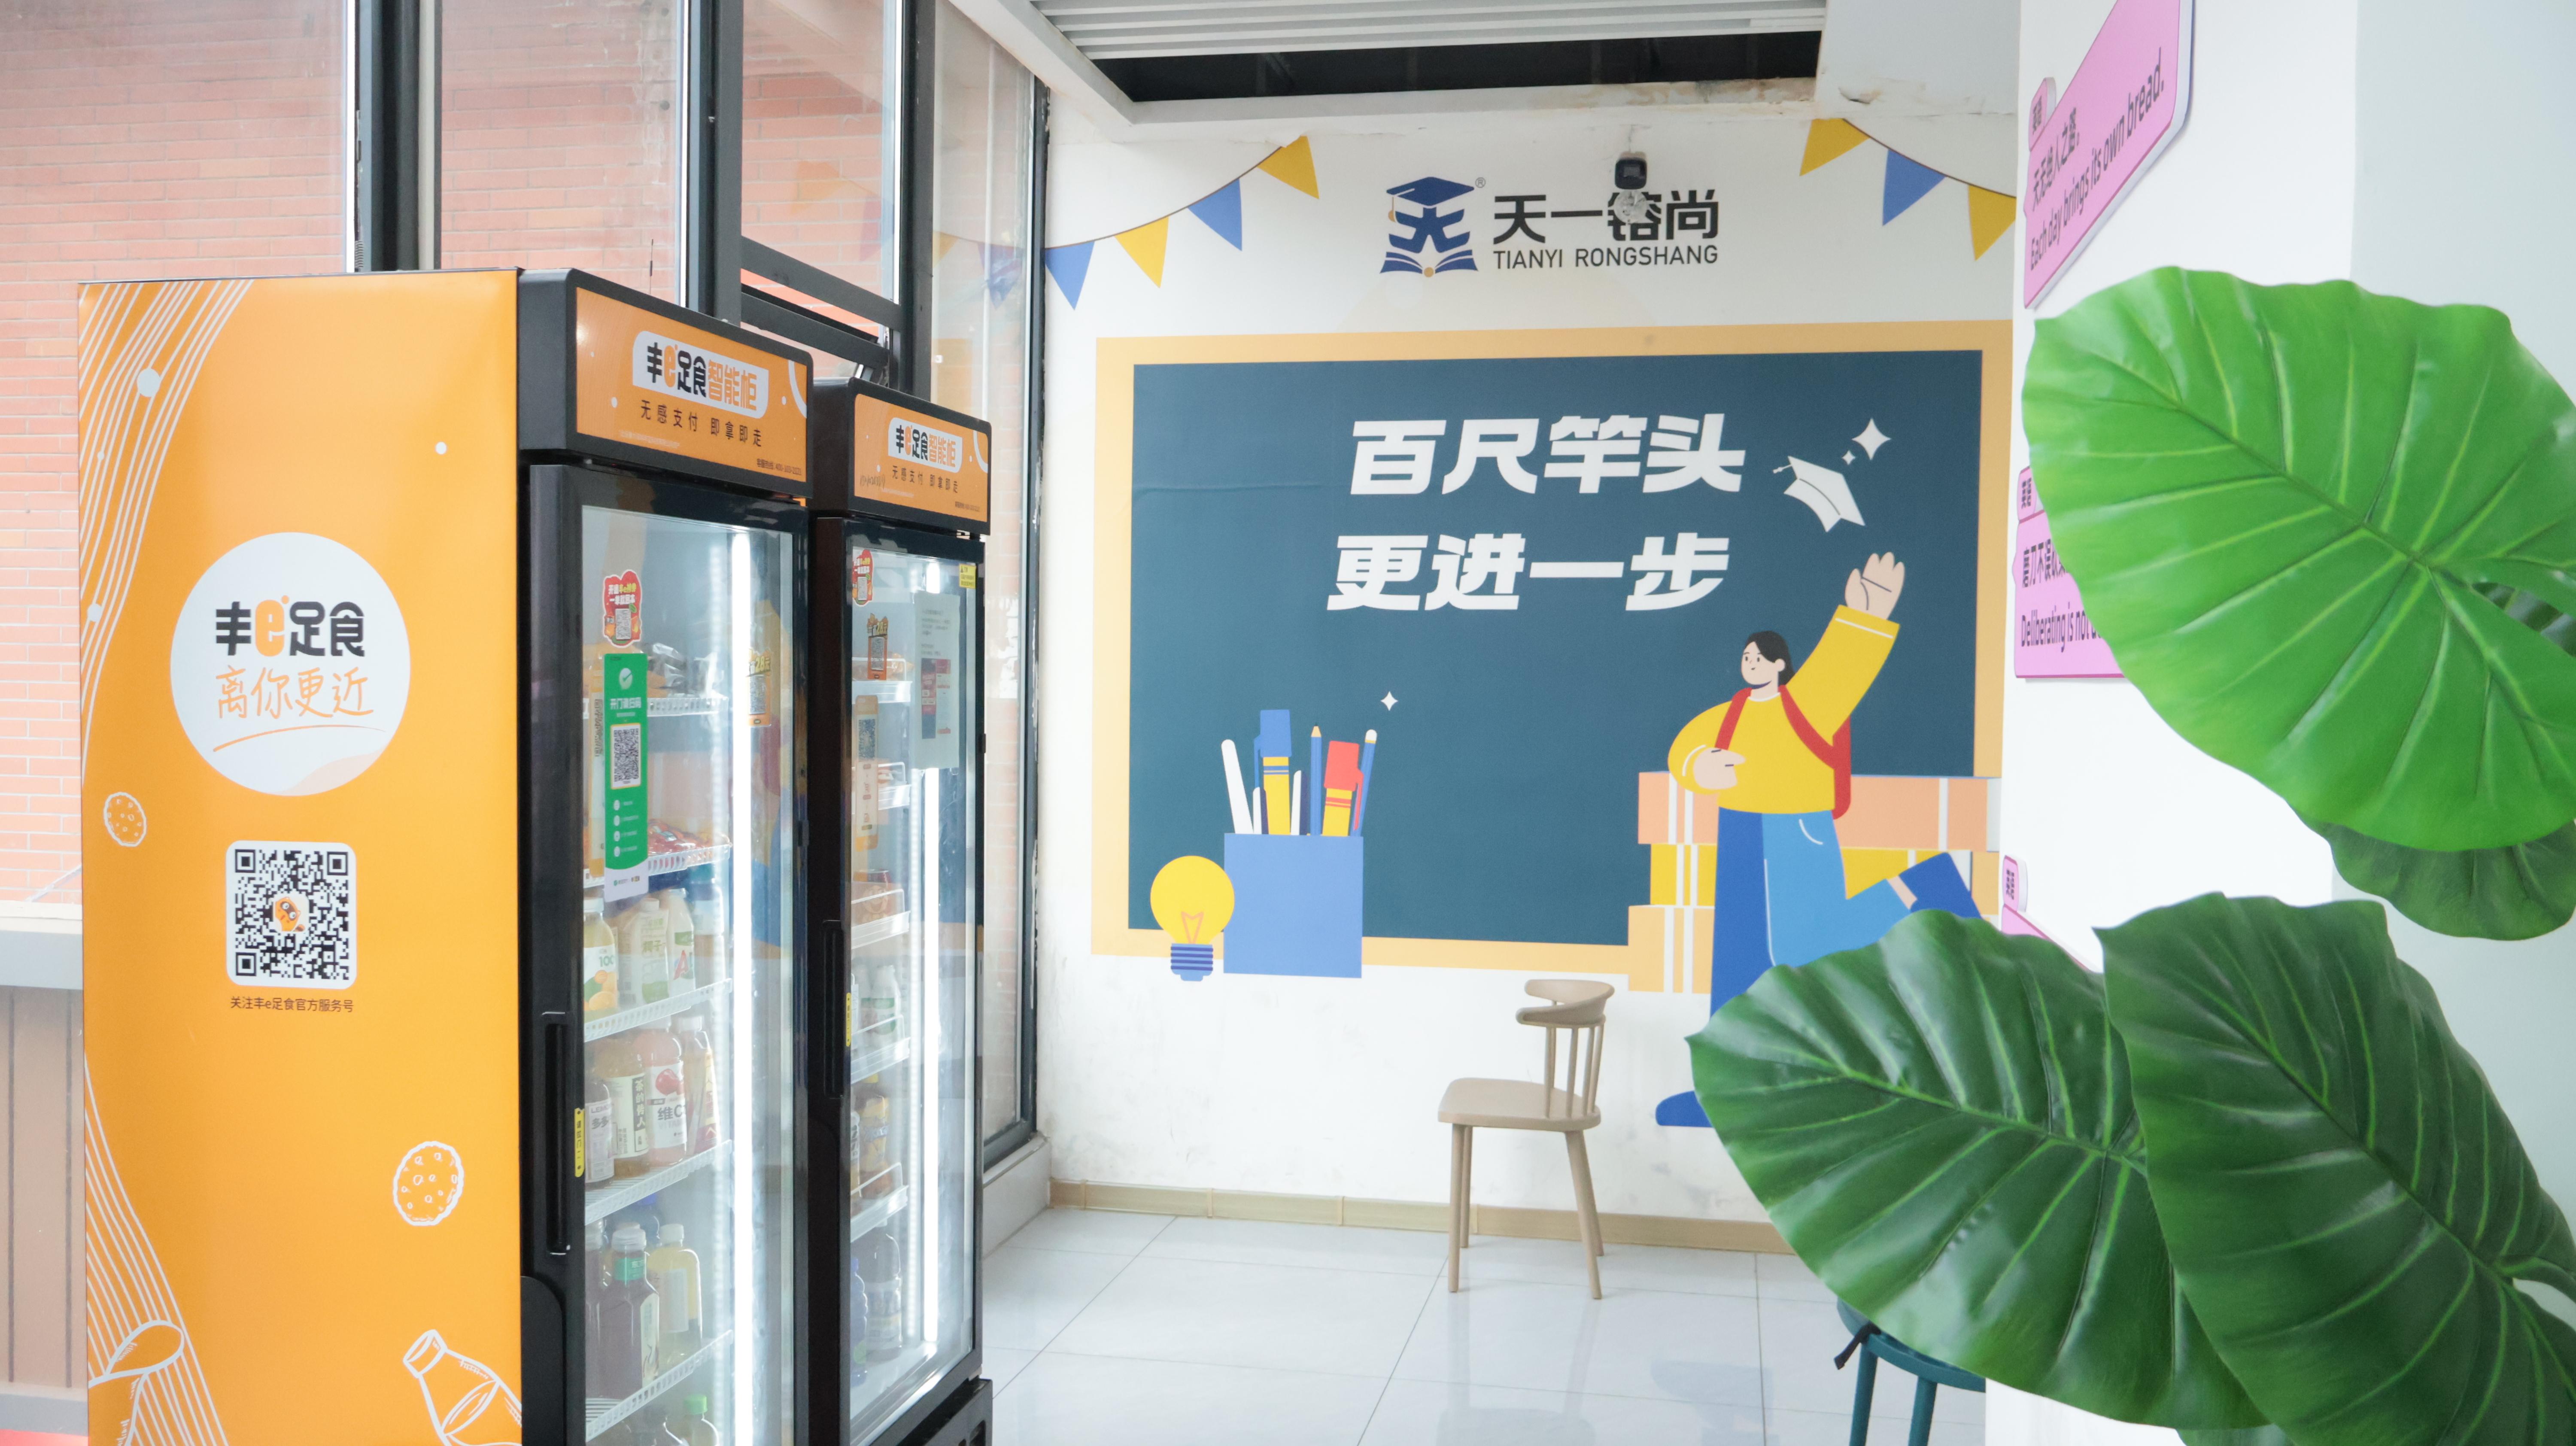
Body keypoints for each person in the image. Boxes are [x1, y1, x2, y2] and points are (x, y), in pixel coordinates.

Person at [1654, 552, 1979, 1127]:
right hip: (1739, 830)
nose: (1750, 663)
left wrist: (1865, 617)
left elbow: (1841, 671)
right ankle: (1726, 1092)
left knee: (1807, 943)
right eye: (1746, 657)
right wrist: (1700, 766)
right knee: (1736, 961)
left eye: (1760, 657)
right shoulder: (1729, 714)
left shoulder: (1807, 702)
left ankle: (1925, 885)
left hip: (1795, 827)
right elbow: (1686, 747)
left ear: (1781, 665)